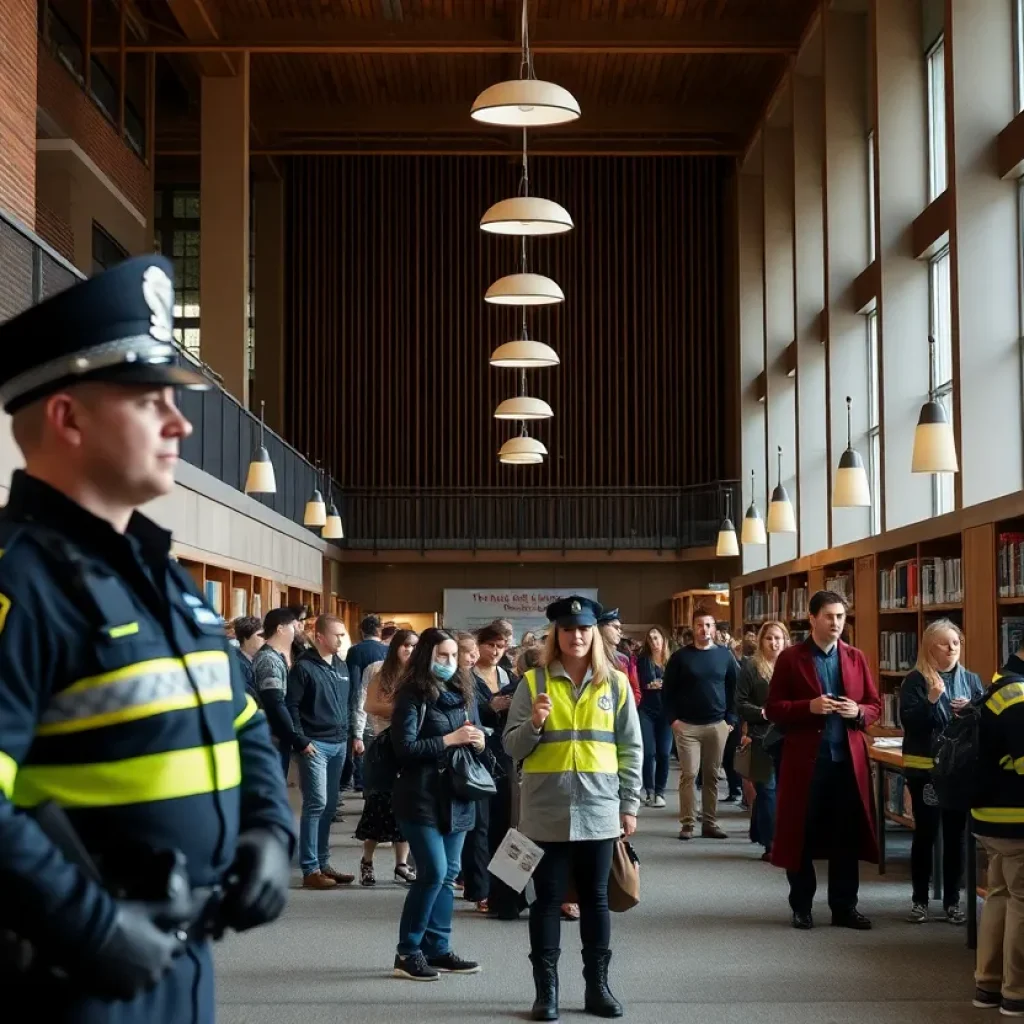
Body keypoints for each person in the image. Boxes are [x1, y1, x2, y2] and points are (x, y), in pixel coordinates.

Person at [0, 255, 295, 1021]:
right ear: (67, 417)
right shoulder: (19, 584)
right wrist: (90, 926)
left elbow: (244, 723)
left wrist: (269, 826)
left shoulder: (166, 582)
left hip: (178, 956)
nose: (181, 423)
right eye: (148, 400)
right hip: (71, 970)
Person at [504, 596, 642, 1021]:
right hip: (546, 809)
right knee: (547, 900)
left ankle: (597, 988)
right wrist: (535, 725)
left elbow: (630, 748)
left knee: (597, 900)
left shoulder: (615, 683)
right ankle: (546, 993)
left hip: (600, 807)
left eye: (584, 629)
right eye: (568, 630)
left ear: (595, 634)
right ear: (556, 635)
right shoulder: (533, 682)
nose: (577, 636)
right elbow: (511, 745)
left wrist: (629, 803)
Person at [767, 590, 881, 930]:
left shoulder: (856, 657)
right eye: (829, 616)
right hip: (806, 761)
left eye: (841, 617)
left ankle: (844, 907)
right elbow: (773, 709)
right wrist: (808, 707)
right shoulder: (791, 658)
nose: (836, 623)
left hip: (847, 761)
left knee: (845, 835)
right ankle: (801, 905)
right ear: (813, 617)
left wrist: (858, 711)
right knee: (801, 833)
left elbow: (875, 704)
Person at [391, 628, 484, 982]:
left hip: (456, 794)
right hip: (420, 795)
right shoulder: (412, 693)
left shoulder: (462, 690)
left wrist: (475, 741)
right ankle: (407, 951)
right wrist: (450, 739)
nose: (448, 663)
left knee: (447, 875)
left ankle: (438, 948)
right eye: (441, 656)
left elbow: (474, 737)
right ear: (426, 656)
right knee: (431, 872)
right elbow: (406, 749)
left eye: (452, 656)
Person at [899, 619, 982, 924]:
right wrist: (932, 700)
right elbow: (911, 723)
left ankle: (952, 901)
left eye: (956, 643)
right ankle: (920, 900)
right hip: (925, 772)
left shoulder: (972, 681)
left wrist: (972, 710)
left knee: (956, 837)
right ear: (929, 648)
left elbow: (983, 725)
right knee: (925, 834)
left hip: (958, 773)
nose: (952, 649)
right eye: (944, 643)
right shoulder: (915, 681)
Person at [287, 614, 362, 890]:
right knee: (316, 803)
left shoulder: (341, 665)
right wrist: (301, 740)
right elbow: (291, 706)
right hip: (314, 744)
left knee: (330, 806)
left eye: (343, 635)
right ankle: (310, 869)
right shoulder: (304, 667)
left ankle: (323, 861)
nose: (342, 639)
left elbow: (349, 705)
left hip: (339, 743)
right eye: (337, 635)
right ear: (319, 637)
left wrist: (352, 736)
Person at [971, 654, 1024, 1015]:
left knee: (999, 896)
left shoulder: (998, 684)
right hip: (1015, 818)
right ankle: (1016, 993)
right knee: (1022, 901)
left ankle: (987, 985)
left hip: (989, 817)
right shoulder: (1020, 695)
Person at [663, 607, 739, 840]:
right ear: (692, 628)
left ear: (714, 629)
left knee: (712, 775)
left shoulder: (725, 656)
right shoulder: (680, 657)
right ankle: (688, 823)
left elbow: (734, 688)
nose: (704, 629)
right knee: (689, 774)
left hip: (717, 724)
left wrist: (730, 720)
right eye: (699, 625)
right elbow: (668, 692)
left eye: (708, 625)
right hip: (687, 726)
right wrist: (673, 720)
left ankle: (710, 822)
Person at [355, 629, 419, 886]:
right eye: (404, 645)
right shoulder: (381, 673)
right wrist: (404, 710)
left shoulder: (420, 676)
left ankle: (401, 864)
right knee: (378, 805)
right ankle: (367, 860)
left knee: (405, 807)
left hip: (410, 746)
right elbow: (369, 705)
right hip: (384, 745)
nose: (409, 650)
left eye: (414, 646)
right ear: (395, 648)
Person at [735, 621, 789, 861]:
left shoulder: (793, 666)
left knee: (782, 790)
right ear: (761, 641)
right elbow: (740, 702)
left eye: (779, 638)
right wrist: (763, 713)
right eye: (769, 638)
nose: (774, 643)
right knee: (767, 789)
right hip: (761, 736)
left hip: (789, 735)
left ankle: (760, 831)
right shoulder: (751, 668)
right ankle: (771, 844)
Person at [254, 607, 302, 777]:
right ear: (280, 629)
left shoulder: (277, 657)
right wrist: (293, 735)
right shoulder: (269, 660)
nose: (296, 631)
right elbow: (274, 701)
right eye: (293, 626)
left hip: (278, 733)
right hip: (273, 734)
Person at [636, 626, 673, 807]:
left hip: (666, 710)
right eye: (650, 639)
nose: (654, 642)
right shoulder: (643, 660)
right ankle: (649, 791)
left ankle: (660, 791)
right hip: (647, 709)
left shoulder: (672, 660)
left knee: (664, 753)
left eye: (656, 638)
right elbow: (641, 683)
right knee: (648, 752)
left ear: (663, 640)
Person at [597, 609, 642, 706]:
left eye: (620, 628)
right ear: (601, 627)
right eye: (616, 627)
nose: (619, 632)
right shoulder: (589, 657)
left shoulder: (623, 659)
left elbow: (635, 689)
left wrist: (627, 708)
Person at [231, 615, 264, 702]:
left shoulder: (262, 660)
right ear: (246, 638)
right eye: (260, 635)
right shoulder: (237, 664)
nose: (265, 639)